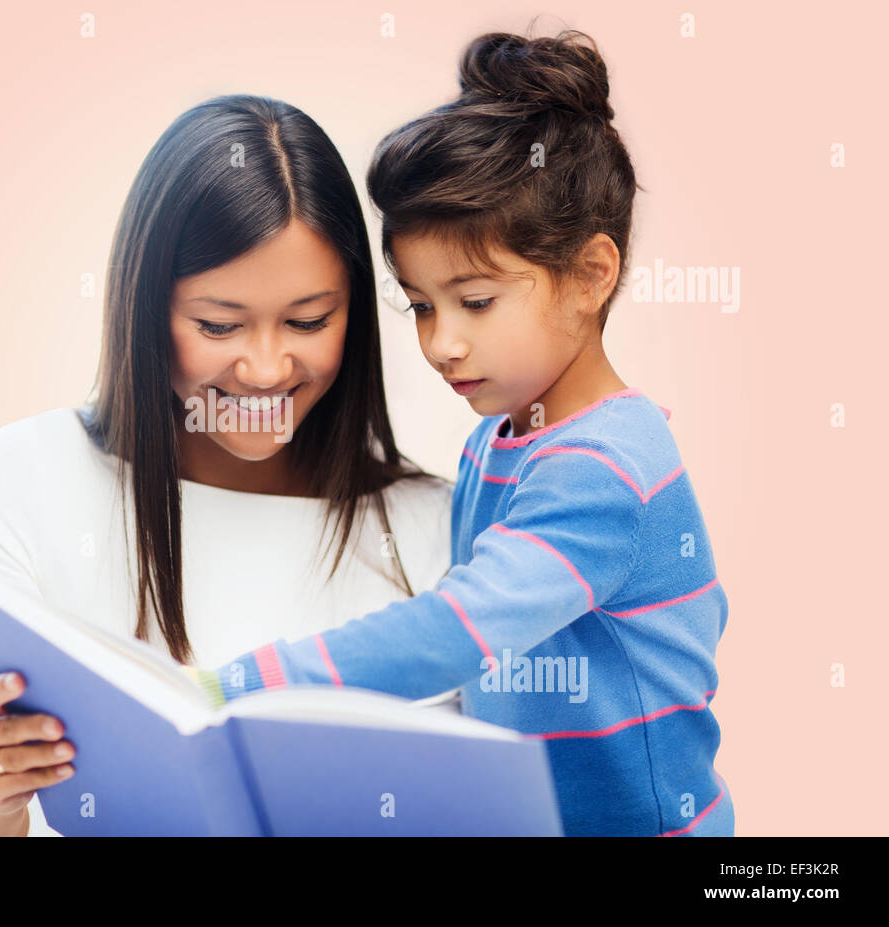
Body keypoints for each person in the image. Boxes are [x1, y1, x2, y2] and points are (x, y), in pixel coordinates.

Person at [191, 30, 734, 837]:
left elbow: (457, 631)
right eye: (419, 304)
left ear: (591, 274)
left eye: (475, 301)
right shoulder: (499, 442)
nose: (442, 341)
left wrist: (237, 688)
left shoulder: (608, 464)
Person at [0, 95, 455, 836]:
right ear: (146, 309)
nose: (267, 368)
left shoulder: (438, 526)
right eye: (218, 324)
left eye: (308, 320)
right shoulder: (29, 477)